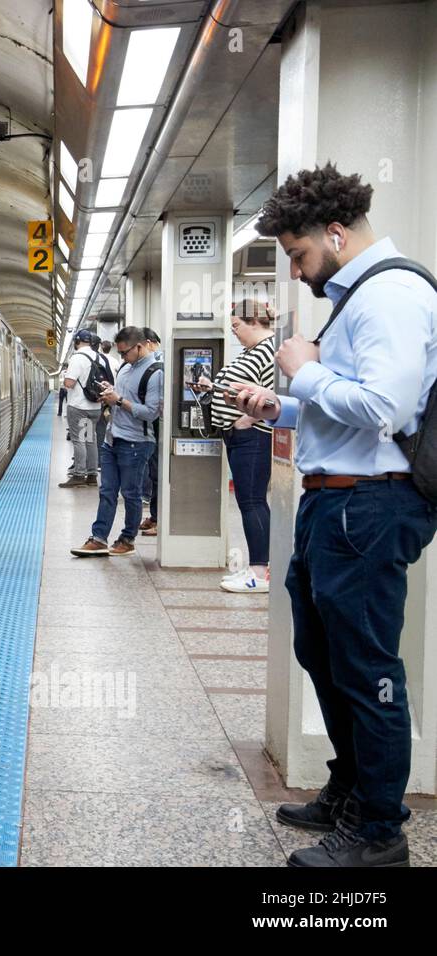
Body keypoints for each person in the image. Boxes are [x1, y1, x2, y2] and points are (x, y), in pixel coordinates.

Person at [231, 163, 437, 867]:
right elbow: (348, 405)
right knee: (321, 652)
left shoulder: (393, 296)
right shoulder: (356, 299)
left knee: (367, 666)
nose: (295, 272)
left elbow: (387, 408)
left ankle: (379, 833)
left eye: (298, 256)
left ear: (338, 234)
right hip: (338, 501)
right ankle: (349, 792)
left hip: (370, 506)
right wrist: (280, 404)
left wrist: (302, 370)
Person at [193, 300, 277, 591]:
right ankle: (258, 566)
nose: (235, 333)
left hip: (254, 438)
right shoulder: (252, 351)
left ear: (254, 322)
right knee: (247, 501)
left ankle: (260, 571)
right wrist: (214, 389)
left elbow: (275, 393)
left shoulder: (270, 350)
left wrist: (247, 420)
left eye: (237, 326)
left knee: (252, 501)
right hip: (240, 438)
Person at [71, 326, 163, 557]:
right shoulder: (125, 367)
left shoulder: (155, 373)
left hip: (136, 443)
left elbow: (151, 413)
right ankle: (99, 538)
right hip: (112, 439)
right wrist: (110, 392)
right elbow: (122, 397)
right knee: (107, 490)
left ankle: (127, 540)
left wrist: (119, 400)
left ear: (139, 346)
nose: (122, 357)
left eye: (125, 352)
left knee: (130, 494)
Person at [58, 331, 102, 488]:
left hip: (79, 407)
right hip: (95, 407)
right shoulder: (98, 356)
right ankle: (92, 475)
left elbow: (69, 383)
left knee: (79, 440)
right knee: (90, 439)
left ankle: (78, 475)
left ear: (77, 342)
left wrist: (65, 379)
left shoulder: (77, 358)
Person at [139, 327, 163, 537]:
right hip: (156, 426)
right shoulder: (160, 360)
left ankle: (159, 518)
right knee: (155, 473)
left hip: (157, 426)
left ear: (147, 343)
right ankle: (155, 517)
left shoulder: (158, 363)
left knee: (158, 474)